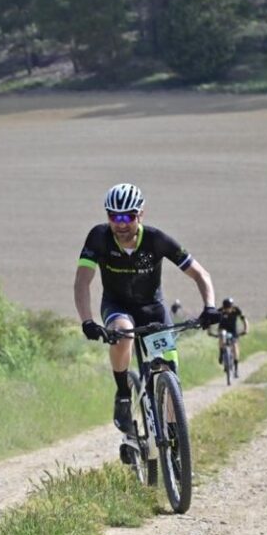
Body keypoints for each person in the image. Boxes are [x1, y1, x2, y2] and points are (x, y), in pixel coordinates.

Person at [73, 183, 220, 435]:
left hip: (152, 309)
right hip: (117, 305)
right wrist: (87, 321)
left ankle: (174, 438)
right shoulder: (98, 237)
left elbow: (200, 274)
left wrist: (210, 307)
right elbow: (82, 281)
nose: (120, 224)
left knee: (168, 370)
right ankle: (122, 394)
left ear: (140, 214)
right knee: (123, 333)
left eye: (127, 216)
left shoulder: (156, 240)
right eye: (113, 216)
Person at [212, 296, 249, 372]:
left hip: (233, 330)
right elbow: (211, 322)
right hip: (222, 328)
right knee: (222, 335)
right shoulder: (220, 311)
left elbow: (244, 320)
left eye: (229, 308)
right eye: (226, 308)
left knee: (235, 346)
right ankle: (221, 353)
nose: (227, 309)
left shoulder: (236, 310)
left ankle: (236, 366)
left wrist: (246, 329)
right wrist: (209, 331)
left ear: (232, 307)